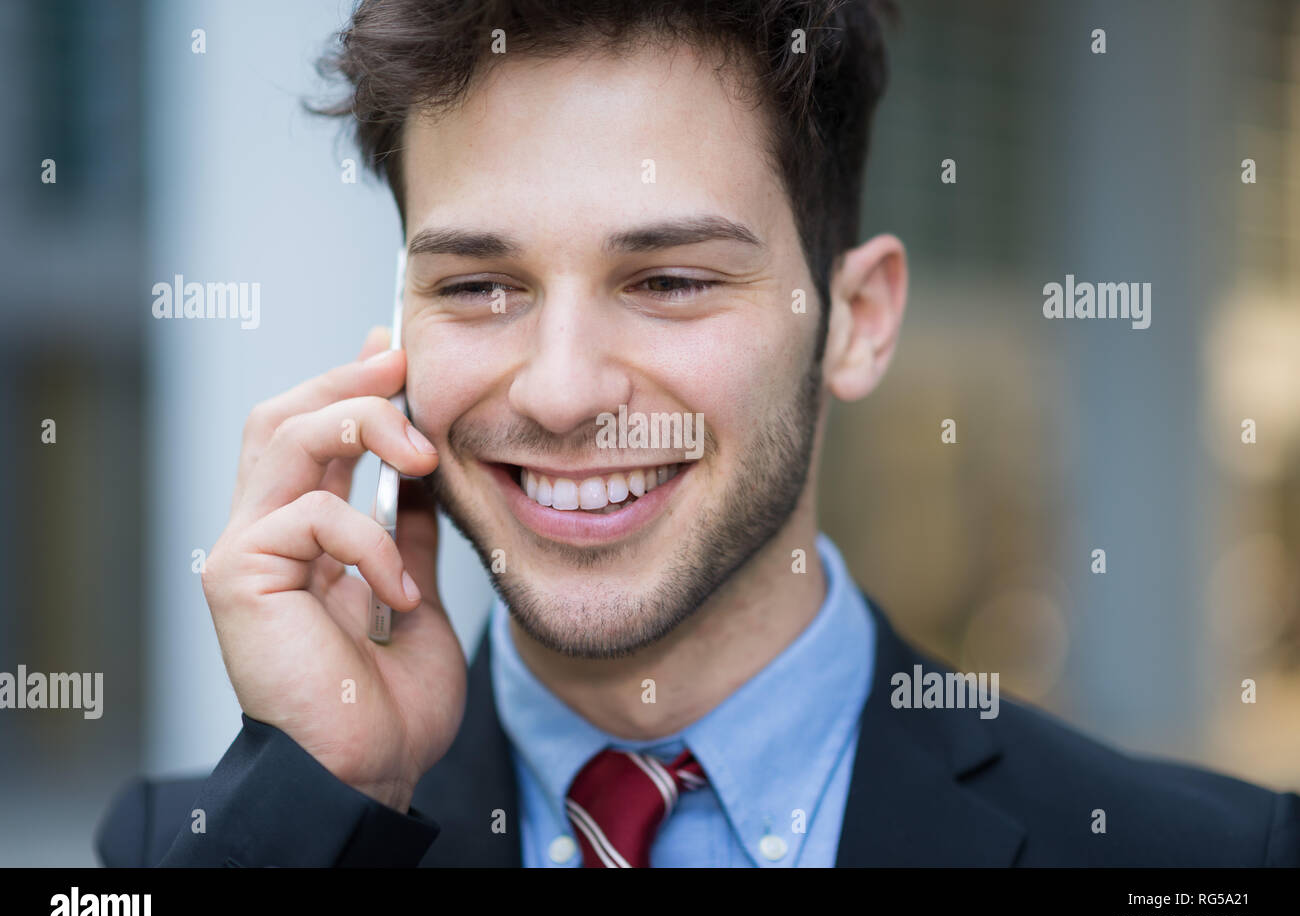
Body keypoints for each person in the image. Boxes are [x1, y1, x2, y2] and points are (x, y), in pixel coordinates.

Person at [96, 0, 1298, 867]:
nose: (561, 394)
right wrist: (331, 801)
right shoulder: (197, 849)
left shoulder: (1208, 862)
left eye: (669, 281)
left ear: (857, 322)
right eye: (478, 286)